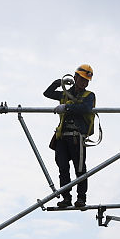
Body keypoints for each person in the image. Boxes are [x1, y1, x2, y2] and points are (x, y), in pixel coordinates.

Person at [44, 64, 96, 209]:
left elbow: (85, 108)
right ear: (75, 78)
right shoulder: (65, 94)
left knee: (80, 169)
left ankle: (81, 198)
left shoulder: (88, 95)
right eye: (82, 79)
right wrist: (59, 83)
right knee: (63, 168)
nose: (84, 83)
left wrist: (66, 107)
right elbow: (47, 93)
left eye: (86, 81)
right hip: (62, 138)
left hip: (76, 137)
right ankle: (66, 197)